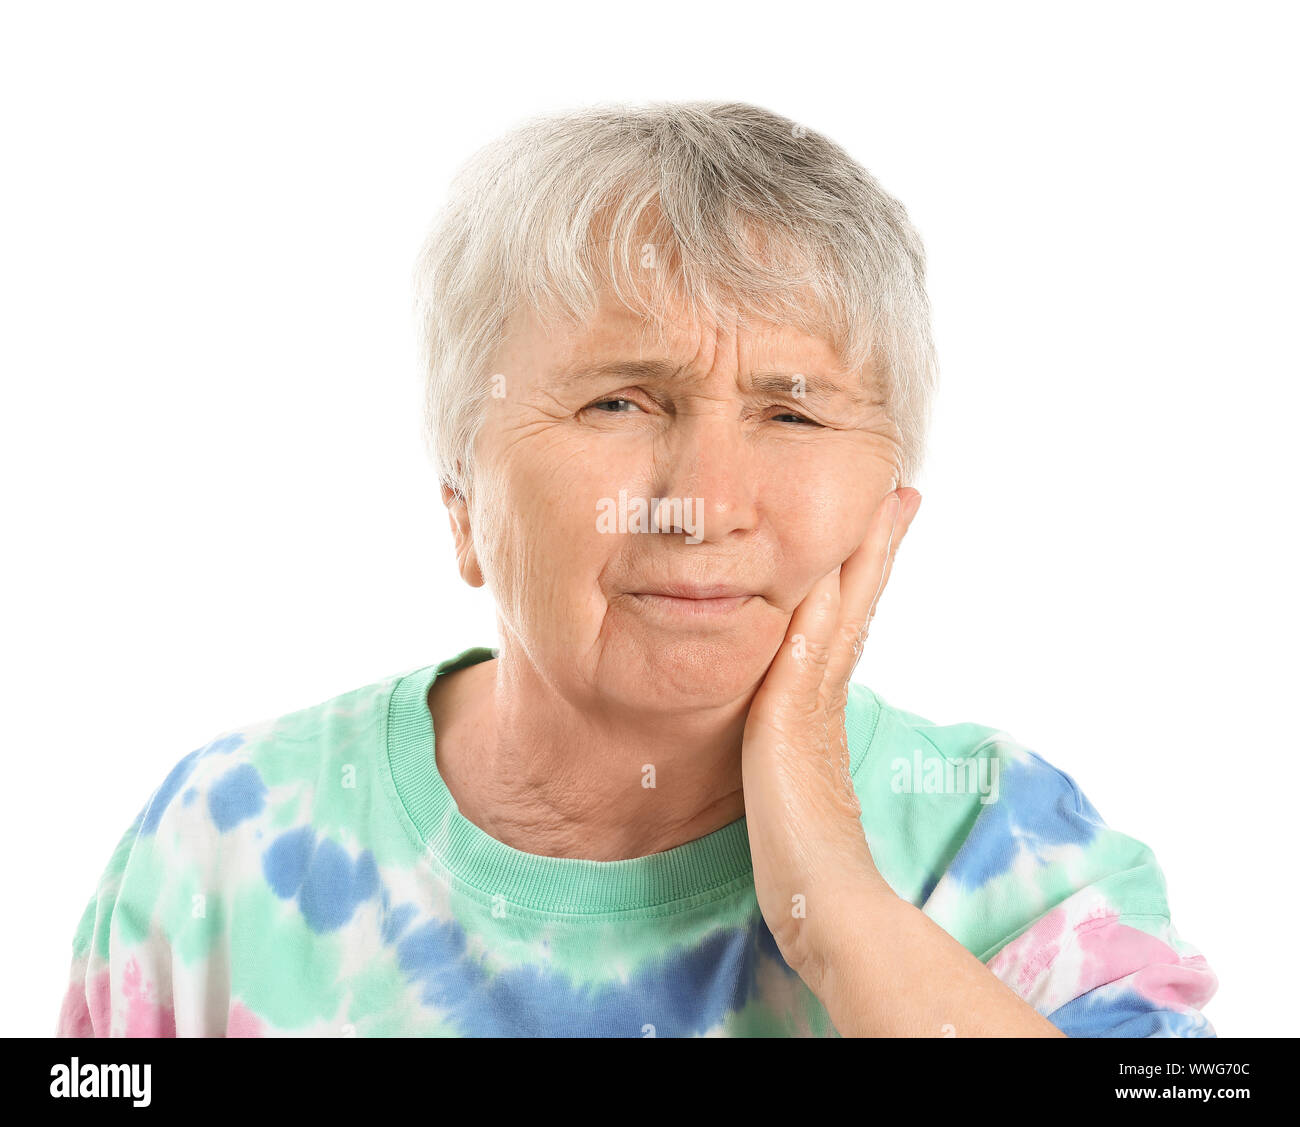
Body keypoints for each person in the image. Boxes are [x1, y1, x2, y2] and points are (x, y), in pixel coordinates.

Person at [57, 101, 1217, 1037]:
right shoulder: (225, 841)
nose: (703, 501)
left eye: (793, 412)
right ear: (460, 497)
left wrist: (836, 912)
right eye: (619, 399)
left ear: (888, 510)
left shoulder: (1006, 847)